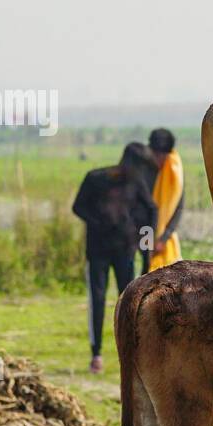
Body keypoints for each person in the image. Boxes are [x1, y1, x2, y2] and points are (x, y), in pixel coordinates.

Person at [72, 142, 157, 374]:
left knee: (127, 300)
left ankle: (129, 354)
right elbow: (78, 207)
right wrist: (99, 222)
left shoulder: (136, 184)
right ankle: (96, 354)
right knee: (97, 300)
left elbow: (150, 211)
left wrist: (146, 250)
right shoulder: (95, 179)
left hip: (125, 251)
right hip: (97, 251)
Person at [146, 128, 184, 271]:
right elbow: (143, 211)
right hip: (146, 235)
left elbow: (178, 208)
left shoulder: (175, 173)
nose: (159, 160)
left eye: (163, 155)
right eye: (156, 155)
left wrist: (163, 240)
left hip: (166, 239)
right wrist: (148, 244)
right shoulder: (144, 172)